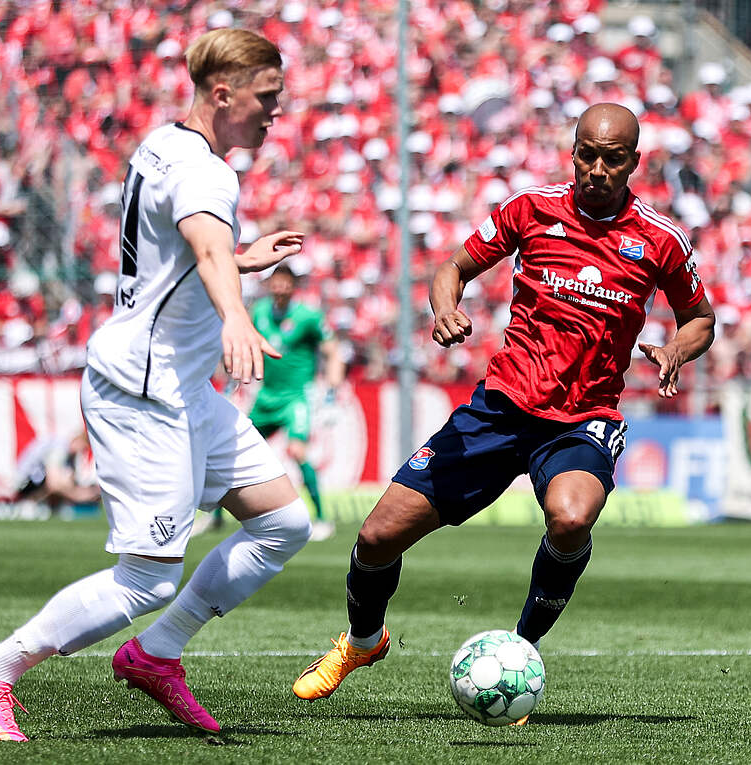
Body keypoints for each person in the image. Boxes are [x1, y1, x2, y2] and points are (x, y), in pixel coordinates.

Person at [0, 28, 311, 742]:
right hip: (147, 391)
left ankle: (157, 653)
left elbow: (194, 249)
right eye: (267, 98)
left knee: (282, 522)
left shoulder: (162, 143)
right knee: (145, 578)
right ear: (223, 91)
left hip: (179, 383)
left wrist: (241, 263)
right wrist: (236, 308)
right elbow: (203, 245)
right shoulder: (209, 173)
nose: (275, 113)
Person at [291, 104, 716, 716]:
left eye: (613, 159)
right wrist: (445, 309)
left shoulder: (660, 241)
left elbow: (700, 318)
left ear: (634, 163)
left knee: (571, 520)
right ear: (573, 153)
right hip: (500, 408)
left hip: (582, 418)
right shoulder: (531, 209)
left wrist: (676, 348)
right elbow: (453, 268)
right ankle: (362, 641)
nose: (597, 169)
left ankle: (523, 647)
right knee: (377, 535)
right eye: (587, 155)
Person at [211, 264, 345, 539]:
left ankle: (321, 518)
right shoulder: (259, 311)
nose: (280, 288)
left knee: (297, 451)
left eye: (286, 283)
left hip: (296, 397)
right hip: (266, 397)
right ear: (270, 285)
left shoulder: (308, 316)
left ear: (293, 286)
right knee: (233, 450)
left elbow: (333, 352)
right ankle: (214, 518)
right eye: (276, 282)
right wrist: (230, 379)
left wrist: (331, 393)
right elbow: (238, 341)